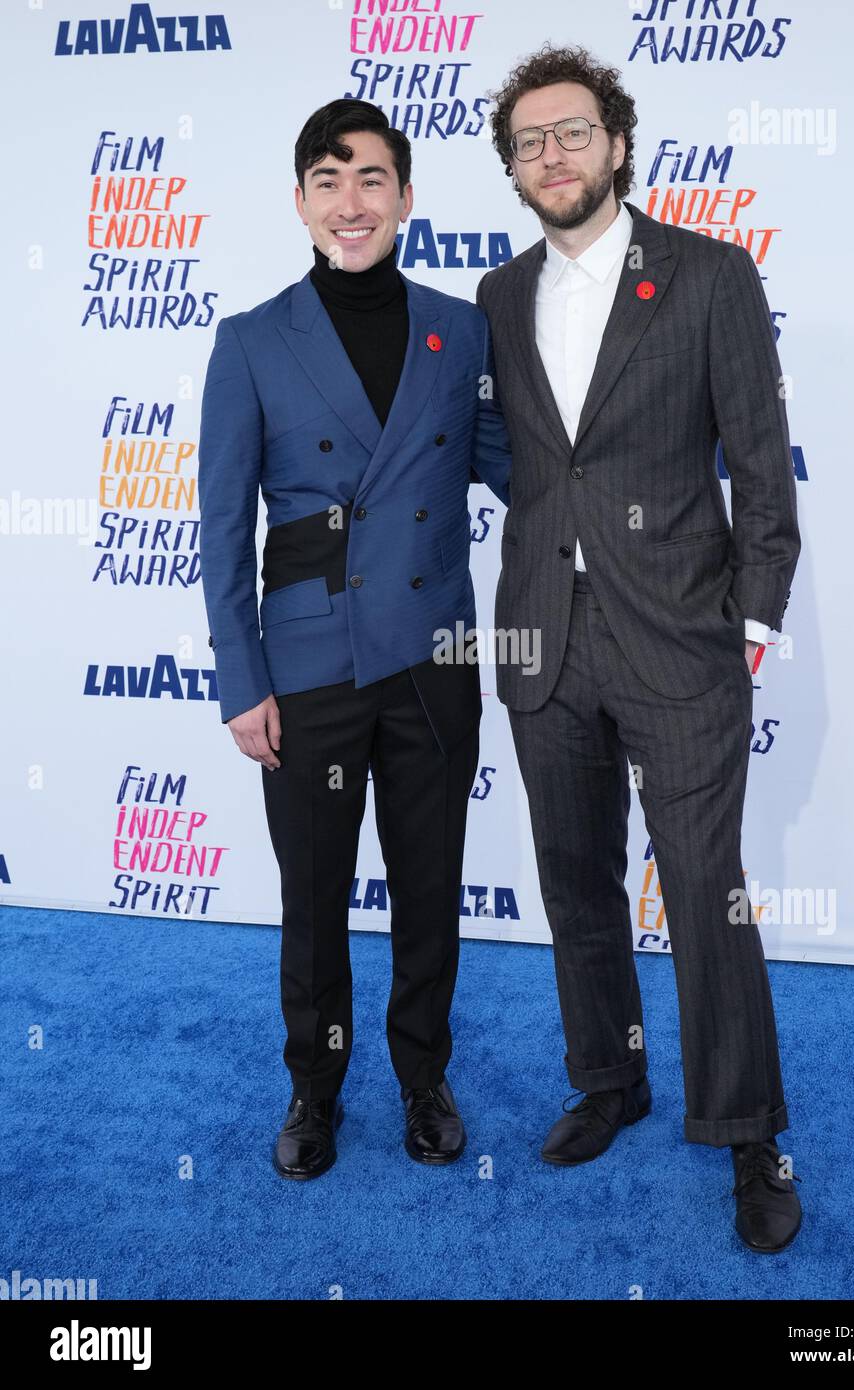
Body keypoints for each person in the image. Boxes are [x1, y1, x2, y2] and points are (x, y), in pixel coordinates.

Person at [476, 44, 802, 1252]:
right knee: (575, 884)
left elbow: (762, 472)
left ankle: (749, 1125)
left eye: (570, 133)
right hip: (543, 641)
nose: (551, 156)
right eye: (528, 142)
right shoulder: (498, 300)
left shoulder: (711, 277)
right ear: (512, 167)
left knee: (706, 893)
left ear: (616, 141)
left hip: (682, 643)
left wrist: (750, 623)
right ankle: (611, 1078)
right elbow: (520, 463)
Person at [198, 99, 511, 1181]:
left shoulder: (459, 328)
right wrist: (244, 681)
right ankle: (316, 1088)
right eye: (328, 180)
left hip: (435, 662)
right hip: (311, 668)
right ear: (299, 202)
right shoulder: (248, 342)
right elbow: (221, 524)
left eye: (372, 179)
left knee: (431, 886)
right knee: (315, 897)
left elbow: (510, 466)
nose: (351, 202)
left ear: (407, 198)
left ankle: (424, 1078)